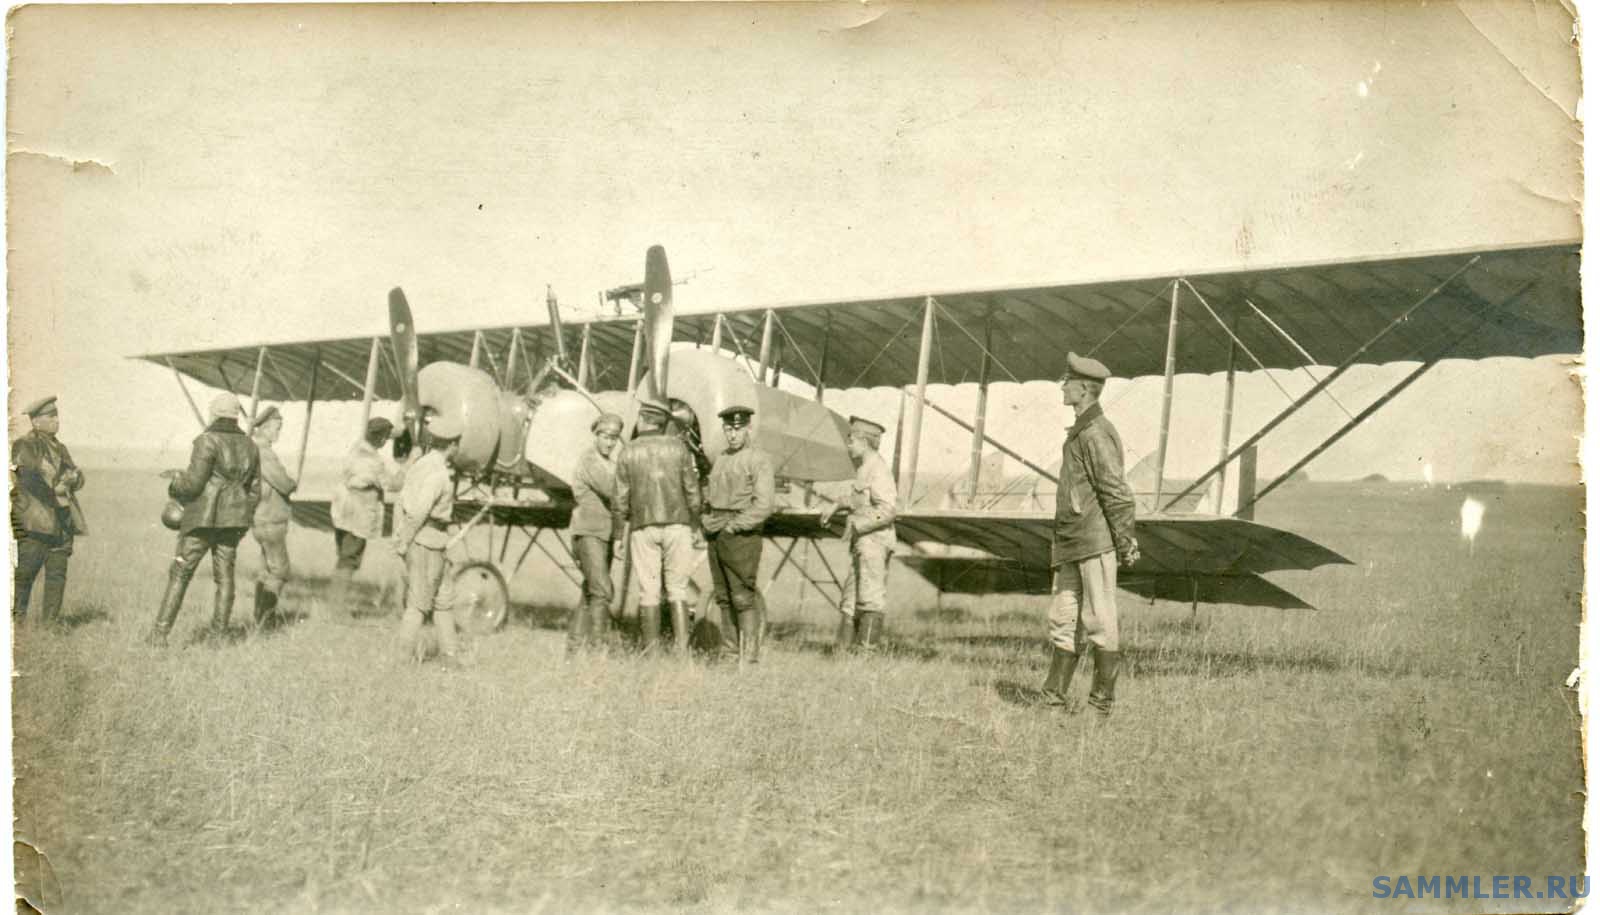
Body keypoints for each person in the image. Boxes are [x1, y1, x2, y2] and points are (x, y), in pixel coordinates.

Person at [1041, 352, 1139, 717]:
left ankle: (1100, 706)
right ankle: (1053, 700)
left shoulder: (1096, 432)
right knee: (1063, 619)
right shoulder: (1084, 430)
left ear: (1084, 389)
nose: (1062, 387)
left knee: (1099, 620)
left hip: (1093, 541)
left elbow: (1116, 492)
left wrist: (1125, 541)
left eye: (1067, 382)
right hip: (1072, 542)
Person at [148, 393, 261, 645]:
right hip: (233, 522)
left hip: (202, 520)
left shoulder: (206, 440)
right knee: (225, 578)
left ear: (214, 414)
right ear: (235, 416)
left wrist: (175, 483)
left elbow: (193, 485)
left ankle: (159, 635)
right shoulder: (250, 445)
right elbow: (255, 490)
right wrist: (243, 516)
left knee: (180, 573)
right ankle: (218, 637)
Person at [612, 398, 703, 654]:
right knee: (678, 590)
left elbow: (619, 499)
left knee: (649, 593)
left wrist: (618, 535)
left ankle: (651, 654)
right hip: (678, 525)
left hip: (643, 527)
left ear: (642, 419)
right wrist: (696, 525)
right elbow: (693, 492)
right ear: (663, 423)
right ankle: (682, 653)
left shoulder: (628, 451)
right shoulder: (679, 448)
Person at [701, 405, 776, 664]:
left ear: (748, 429)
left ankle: (749, 658)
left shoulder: (758, 459)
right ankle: (730, 655)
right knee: (723, 598)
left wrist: (735, 526)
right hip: (716, 533)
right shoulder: (721, 459)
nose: (732, 435)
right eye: (728, 429)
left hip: (741, 536)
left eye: (738, 428)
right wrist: (706, 519)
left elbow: (764, 505)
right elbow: (710, 497)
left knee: (743, 597)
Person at [392, 413, 467, 667]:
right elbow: (419, 511)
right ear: (452, 444)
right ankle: (402, 658)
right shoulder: (439, 474)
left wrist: (401, 537)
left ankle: (450, 656)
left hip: (430, 541)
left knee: (443, 601)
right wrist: (404, 540)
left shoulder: (421, 464)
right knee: (419, 604)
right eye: (457, 444)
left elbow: (403, 501)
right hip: (427, 543)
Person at [823, 415, 897, 653]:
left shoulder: (878, 470)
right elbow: (860, 500)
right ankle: (843, 655)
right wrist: (837, 504)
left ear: (864, 441)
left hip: (874, 543)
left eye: (851, 440)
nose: (849, 445)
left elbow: (887, 511)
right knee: (850, 601)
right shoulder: (866, 468)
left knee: (869, 599)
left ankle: (866, 656)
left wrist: (858, 526)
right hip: (862, 544)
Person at [10, 396, 86, 625]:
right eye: (50, 416)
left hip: (62, 521)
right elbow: (28, 479)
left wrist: (75, 479)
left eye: (56, 415)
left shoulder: (60, 448)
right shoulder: (24, 445)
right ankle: (15, 626)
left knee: (57, 575)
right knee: (25, 575)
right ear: (35, 422)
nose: (56, 420)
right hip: (35, 521)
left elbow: (77, 477)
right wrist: (57, 490)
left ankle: (49, 627)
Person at [330, 417, 405, 618]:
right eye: (386, 437)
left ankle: (335, 606)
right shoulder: (372, 460)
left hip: (342, 512)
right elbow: (392, 484)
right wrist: (406, 467)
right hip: (358, 515)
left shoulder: (356, 449)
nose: (387, 442)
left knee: (343, 559)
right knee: (349, 561)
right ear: (380, 438)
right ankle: (336, 610)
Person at [568, 412, 622, 652]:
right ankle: (597, 649)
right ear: (596, 435)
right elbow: (614, 490)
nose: (610, 443)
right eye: (606, 437)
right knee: (601, 590)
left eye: (614, 438)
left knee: (590, 590)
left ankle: (573, 648)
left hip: (603, 534)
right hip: (589, 533)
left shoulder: (609, 463)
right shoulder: (590, 461)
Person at [249, 406, 297, 629]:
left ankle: (259, 618)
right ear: (265, 428)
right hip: (271, 519)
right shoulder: (264, 453)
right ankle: (266, 623)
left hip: (260, 518)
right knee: (279, 571)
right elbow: (284, 484)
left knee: (266, 571)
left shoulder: (254, 449)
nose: (279, 433)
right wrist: (292, 482)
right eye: (277, 428)